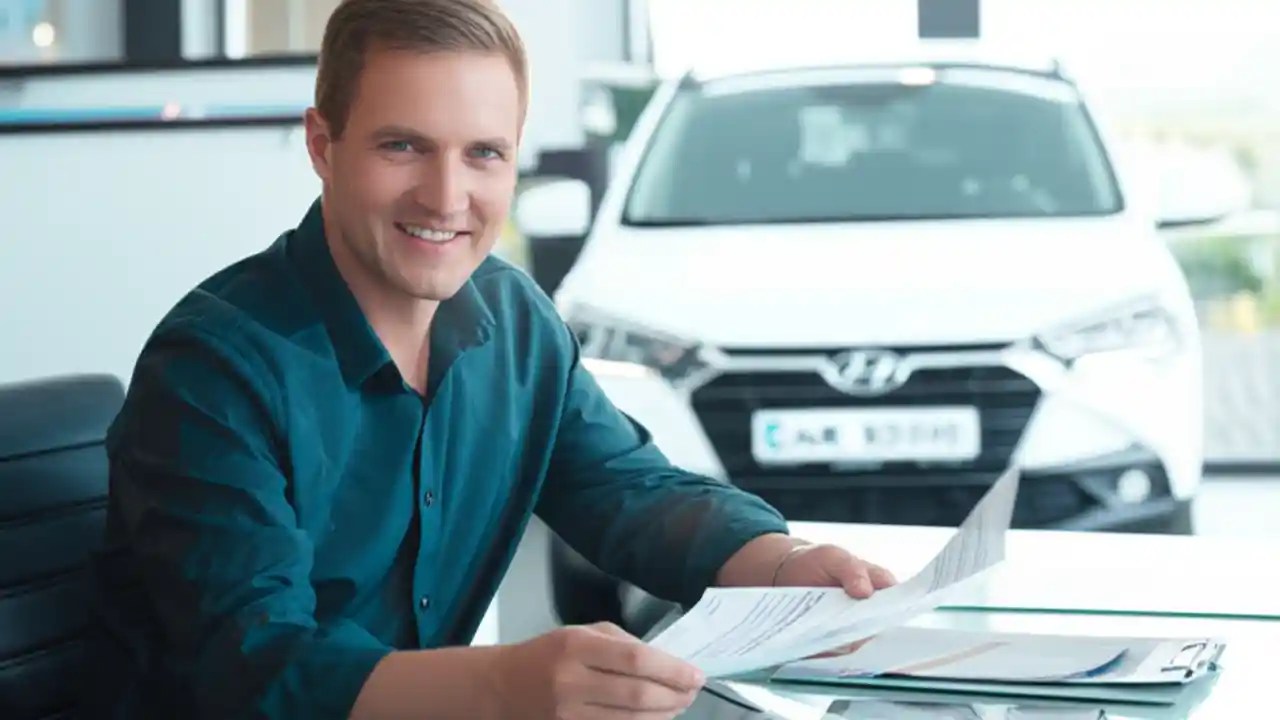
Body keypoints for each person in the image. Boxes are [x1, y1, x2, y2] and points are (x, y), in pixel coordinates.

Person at [85, 1, 896, 718]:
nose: (445, 197)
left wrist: (782, 565)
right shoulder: (212, 369)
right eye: (403, 146)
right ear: (322, 145)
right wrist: (504, 688)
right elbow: (258, 669)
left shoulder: (512, 319)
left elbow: (626, 491)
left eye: (484, 153)